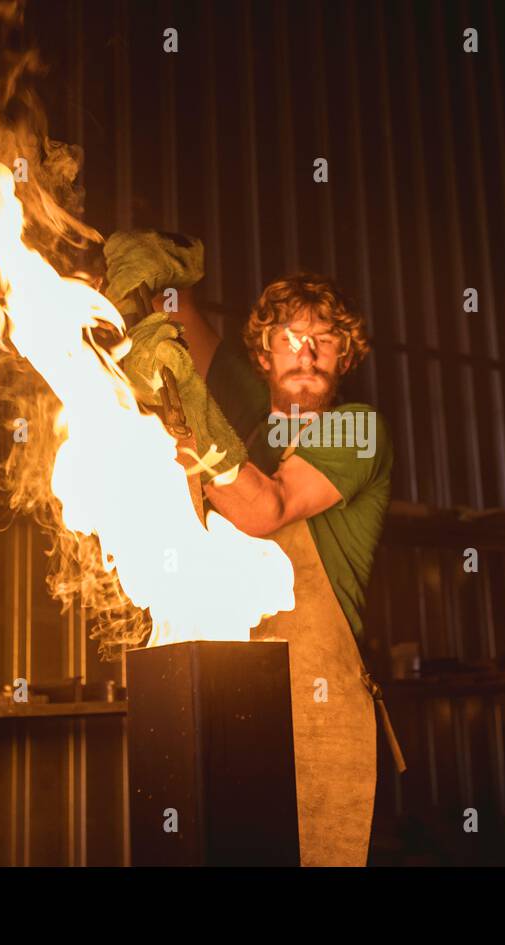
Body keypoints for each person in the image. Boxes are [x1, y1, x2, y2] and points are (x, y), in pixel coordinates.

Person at [107, 231, 396, 866]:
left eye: (326, 340)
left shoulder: (357, 430)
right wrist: (156, 277)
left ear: (347, 358)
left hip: (314, 697)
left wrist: (191, 412)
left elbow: (266, 509)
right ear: (262, 355)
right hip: (226, 682)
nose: (308, 351)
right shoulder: (242, 402)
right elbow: (179, 319)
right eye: (289, 337)